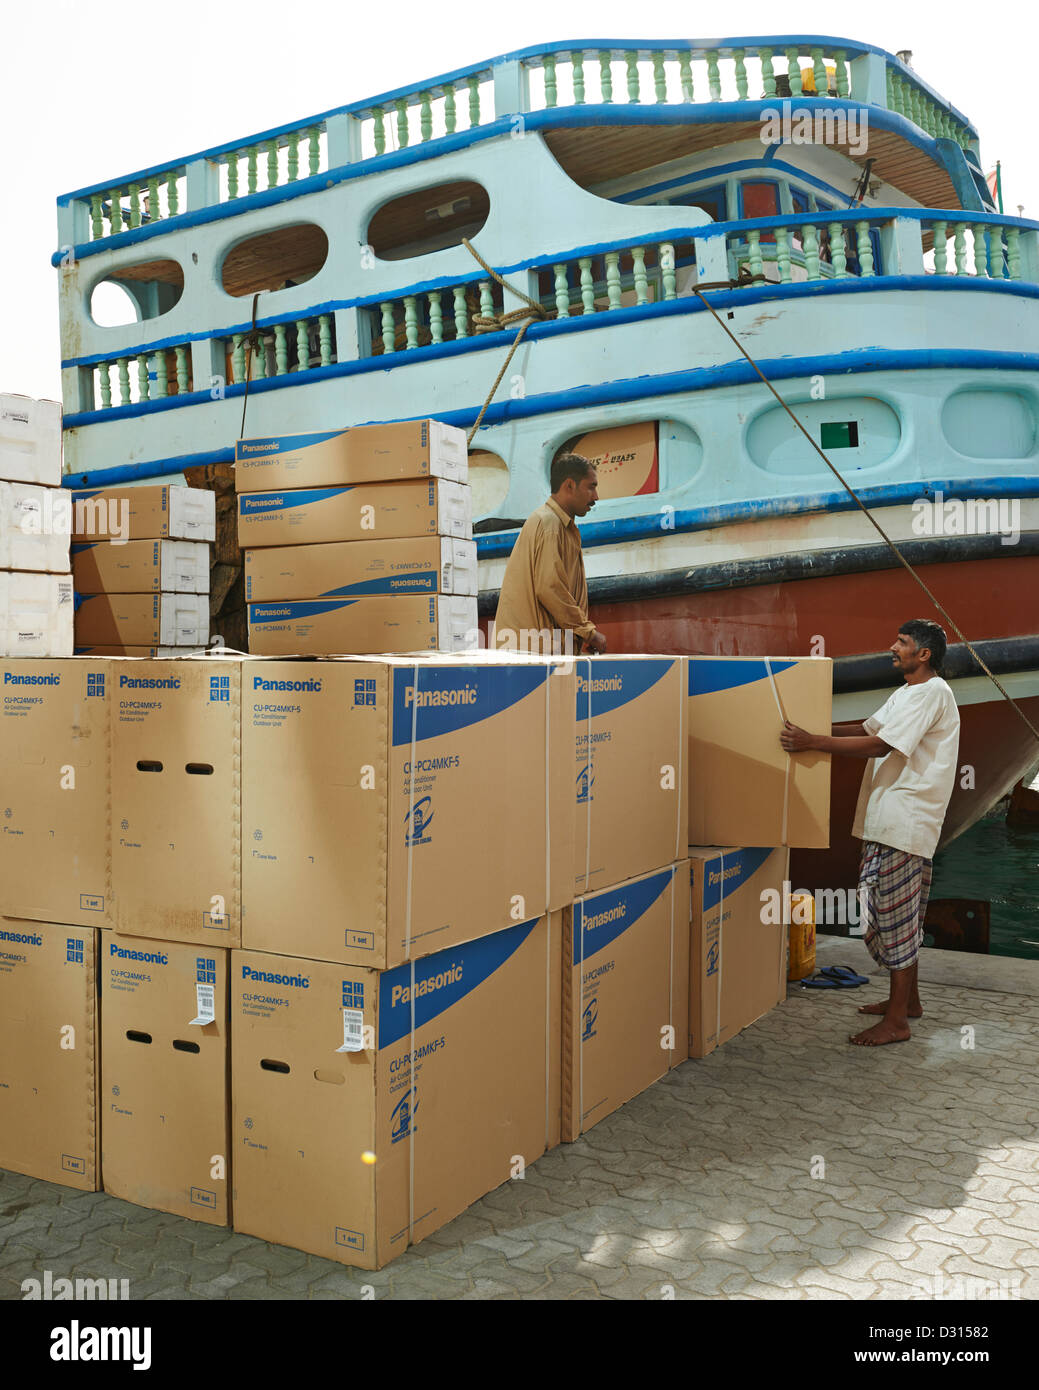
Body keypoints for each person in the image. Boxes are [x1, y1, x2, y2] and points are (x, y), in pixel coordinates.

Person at [779, 620, 960, 1047]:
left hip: (905, 822)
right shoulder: (905, 693)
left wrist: (813, 741)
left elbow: (882, 747)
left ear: (924, 654)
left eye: (902, 643)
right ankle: (908, 1002)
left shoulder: (933, 692)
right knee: (900, 915)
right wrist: (806, 736)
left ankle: (897, 1021)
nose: (892, 648)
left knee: (895, 919)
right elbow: (868, 731)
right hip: (890, 820)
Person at [493, 452, 607, 655]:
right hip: (533, 654)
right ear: (569, 485)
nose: (596, 497)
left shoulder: (559, 525)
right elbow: (550, 588)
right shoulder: (550, 525)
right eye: (591, 487)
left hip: (539, 650)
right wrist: (588, 632)